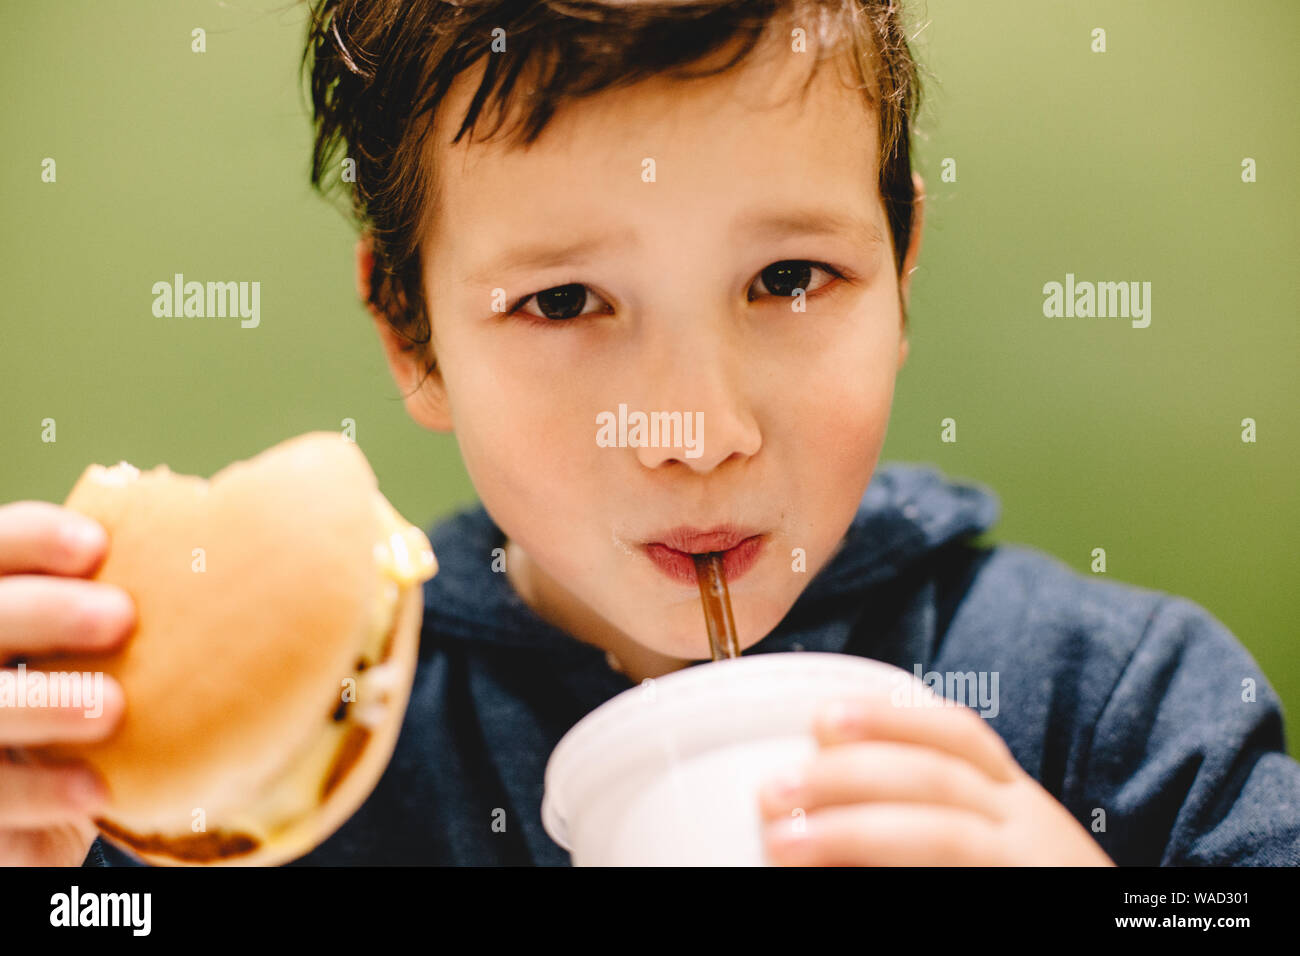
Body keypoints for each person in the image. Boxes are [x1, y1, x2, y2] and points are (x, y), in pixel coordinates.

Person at [5, 0, 1297, 866]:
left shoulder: (1124, 710)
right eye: (563, 301)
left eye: (790, 279)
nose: (698, 431)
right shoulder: (259, 786)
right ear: (409, 330)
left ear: (902, 267)